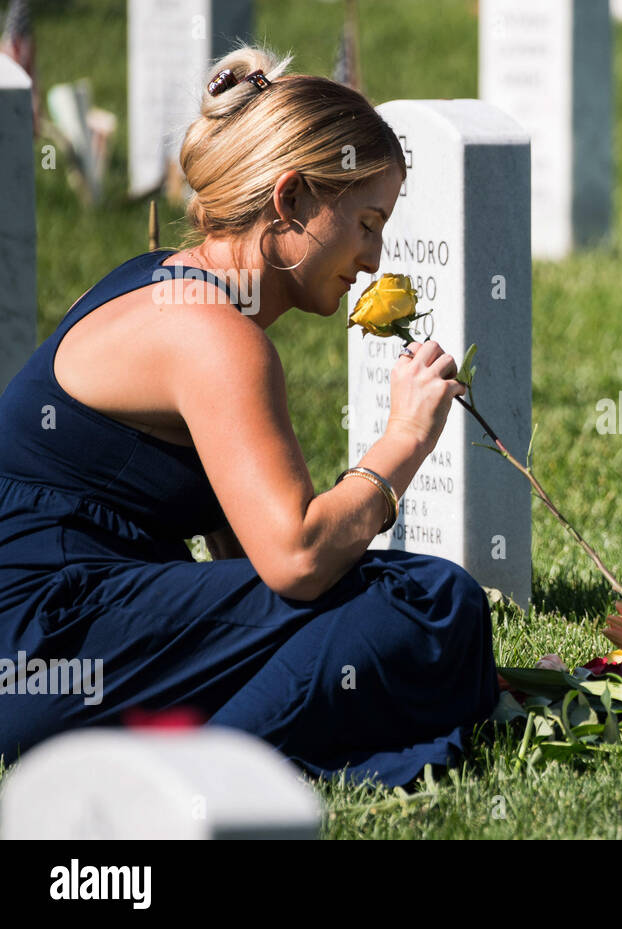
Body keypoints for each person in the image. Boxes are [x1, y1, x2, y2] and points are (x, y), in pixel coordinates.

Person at [0, 47, 497, 787]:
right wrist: (403, 441)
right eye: (365, 222)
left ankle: (204, 740)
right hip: (52, 640)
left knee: (391, 604)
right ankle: (202, 775)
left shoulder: (172, 284)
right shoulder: (215, 334)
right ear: (291, 198)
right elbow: (296, 559)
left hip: (53, 641)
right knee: (433, 600)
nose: (373, 255)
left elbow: (244, 557)